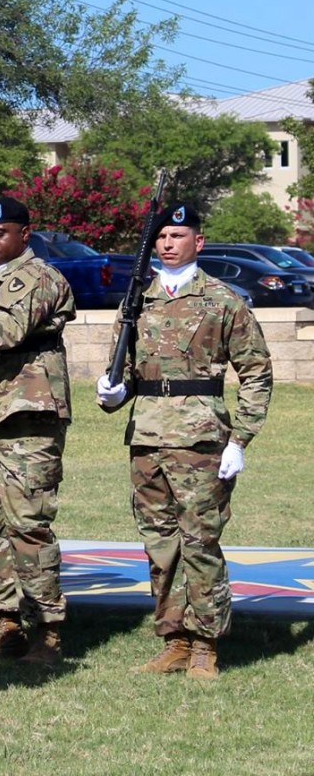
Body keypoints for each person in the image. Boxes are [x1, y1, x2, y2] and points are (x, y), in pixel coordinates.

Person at [96, 202, 273, 679]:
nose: (168, 243)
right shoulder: (138, 300)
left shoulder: (222, 299)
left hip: (200, 437)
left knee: (200, 541)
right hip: (147, 434)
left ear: (199, 241)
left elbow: (256, 371)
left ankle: (205, 645)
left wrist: (241, 438)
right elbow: (126, 370)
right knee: (159, 543)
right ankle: (173, 638)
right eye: (161, 237)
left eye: (178, 235)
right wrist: (112, 392)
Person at [0, 195, 75, 666]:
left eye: (0, 233)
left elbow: (4, 332)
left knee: (27, 524)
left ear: (24, 235)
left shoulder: (39, 277)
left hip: (26, 415)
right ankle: (5, 622)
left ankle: (48, 629)